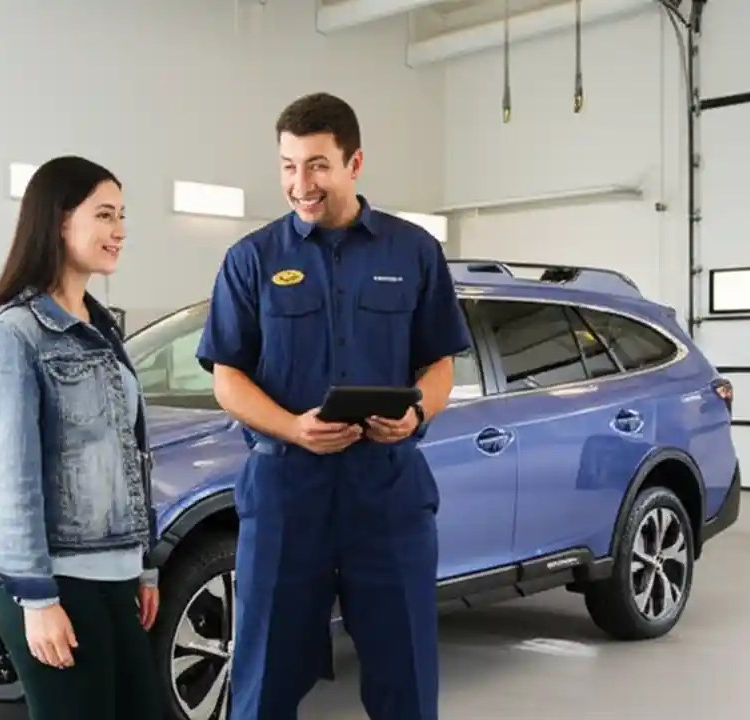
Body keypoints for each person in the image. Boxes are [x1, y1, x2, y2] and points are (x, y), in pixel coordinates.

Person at [196, 92, 471, 720]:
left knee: (405, 677)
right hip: (286, 493)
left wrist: (416, 413)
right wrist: (293, 427)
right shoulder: (252, 260)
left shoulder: (413, 253)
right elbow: (228, 379)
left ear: (355, 163)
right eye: (288, 166)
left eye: (317, 165)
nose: (300, 184)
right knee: (263, 678)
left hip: (387, 492)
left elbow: (440, 363)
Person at [0, 155, 162, 720]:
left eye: (122, 215)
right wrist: (37, 596)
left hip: (117, 576)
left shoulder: (102, 326)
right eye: (104, 214)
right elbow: (9, 477)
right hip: (57, 581)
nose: (120, 230)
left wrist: (142, 564)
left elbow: (130, 456)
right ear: (57, 221)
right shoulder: (11, 334)